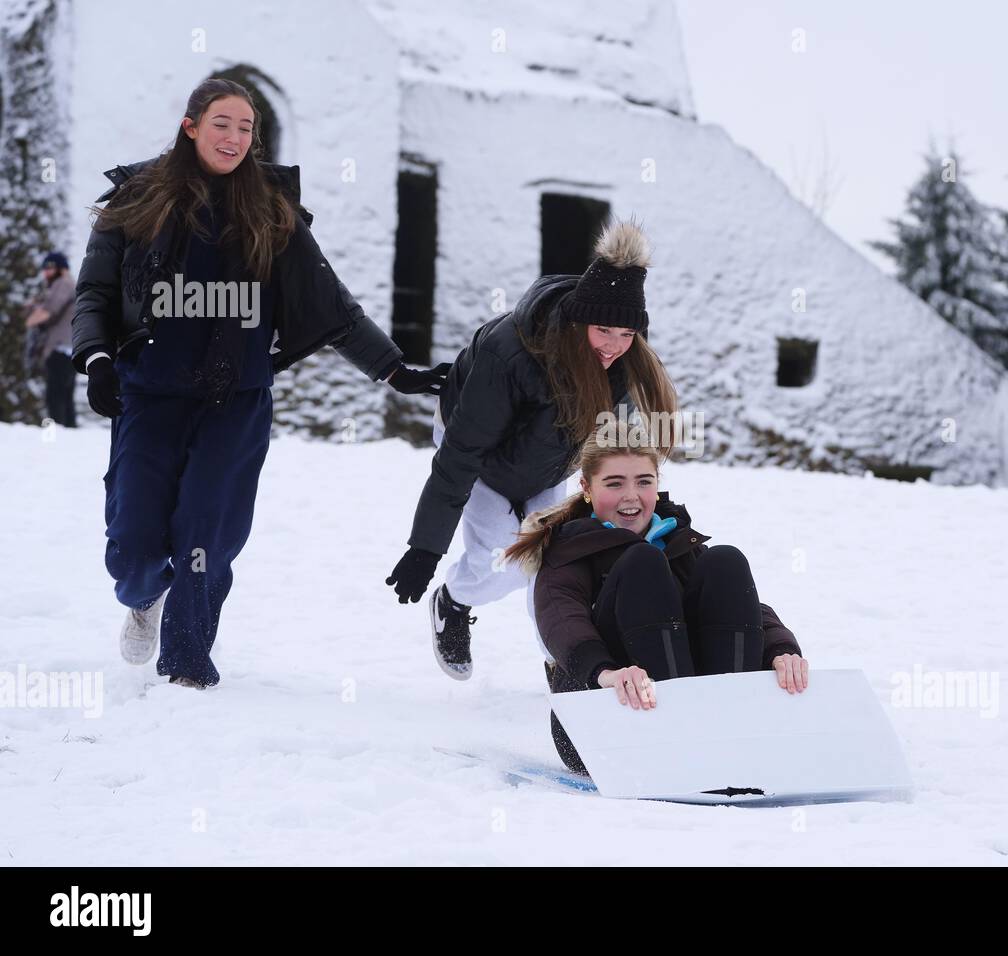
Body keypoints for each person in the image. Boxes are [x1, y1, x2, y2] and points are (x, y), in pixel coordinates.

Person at [71, 77, 444, 689]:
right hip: (151, 392)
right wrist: (96, 358)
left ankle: (187, 659)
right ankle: (143, 599)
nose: (235, 137)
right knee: (135, 546)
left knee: (206, 531)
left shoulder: (271, 210)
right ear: (190, 126)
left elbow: (331, 304)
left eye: (247, 128)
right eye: (222, 123)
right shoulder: (135, 199)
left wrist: (395, 369)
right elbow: (96, 292)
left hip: (233, 398)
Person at [387, 219, 680, 681]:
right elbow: (461, 455)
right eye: (605, 330)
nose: (614, 346)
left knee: (553, 562)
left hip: (544, 467)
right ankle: (453, 601)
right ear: (581, 316)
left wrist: (640, 505)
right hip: (481, 461)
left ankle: (562, 662)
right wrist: (426, 546)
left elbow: (612, 447)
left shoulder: (618, 364)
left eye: (627, 335)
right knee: (506, 556)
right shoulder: (513, 353)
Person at [503, 424, 809, 776]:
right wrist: (604, 672)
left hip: (706, 720)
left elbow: (749, 609)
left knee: (726, 560)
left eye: (644, 482)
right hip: (597, 716)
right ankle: (676, 731)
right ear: (586, 488)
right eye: (614, 483)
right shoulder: (568, 552)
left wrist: (781, 650)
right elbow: (562, 621)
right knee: (642, 561)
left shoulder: (677, 541)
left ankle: (732, 719)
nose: (631, 497)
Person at [24, 252, 78, 427]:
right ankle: (69, 436)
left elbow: (49, 310)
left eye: (50, 268)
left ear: (61, 269)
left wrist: (30, 320)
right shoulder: (67, 285)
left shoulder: (63, 283)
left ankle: (55, 437)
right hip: (68, 349)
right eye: (45, 269)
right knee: (65, 396)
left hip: (60, 348)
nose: (46, 272)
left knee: (54, 396)